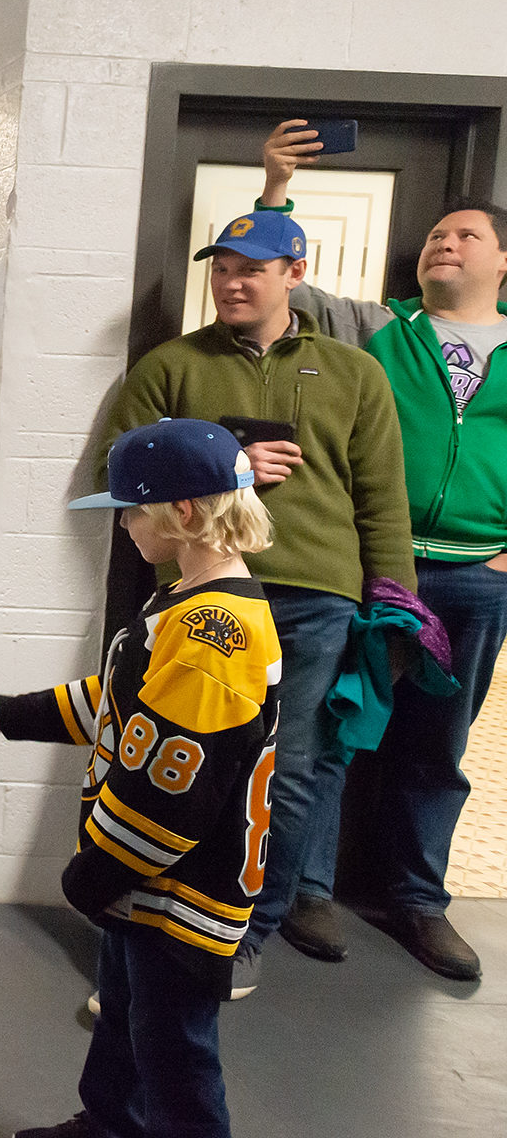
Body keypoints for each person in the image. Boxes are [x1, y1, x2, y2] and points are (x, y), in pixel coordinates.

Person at [88, 206, 414, 996]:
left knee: (292, 767)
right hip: (203, 592)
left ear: (294, 276)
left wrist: (399, 605)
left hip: (317, 594)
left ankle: (245, 937)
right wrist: (219, 458)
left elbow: (381, 495)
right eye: (221, 267)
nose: (231, 282)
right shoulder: (172, 365)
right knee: (180, 754)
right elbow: (116, 467)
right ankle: (160, 919)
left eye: (251, 269)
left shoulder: (355, 372)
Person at [0, 419, 282, 1138]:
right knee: (124, 1017)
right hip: (145, 885)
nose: (124, 525)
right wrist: (12, 710)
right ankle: (110, 1124)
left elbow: (174, 794)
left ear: (181, 511)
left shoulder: (215, 636)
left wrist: (97, 872)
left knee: (174, 1051)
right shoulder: (186, 599)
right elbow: (125, 704)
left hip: (181, 889)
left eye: (131, 510)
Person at [251, 120, 503, 981]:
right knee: (331, 727)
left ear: (503, 262)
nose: (445, 242)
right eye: (437, 233)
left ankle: (419, 902)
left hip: (477, 577)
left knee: (440, 744)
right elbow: (280, 292)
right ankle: (309, 890)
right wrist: (277, 189)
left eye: (466, 234)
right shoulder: (374, 327)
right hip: (378, 567)